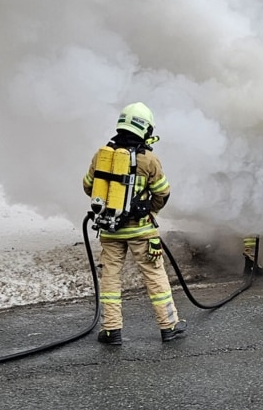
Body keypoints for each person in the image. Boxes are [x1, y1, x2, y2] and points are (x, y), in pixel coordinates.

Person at [83, 102, 186, 345]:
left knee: (110, 279)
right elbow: (163, 193)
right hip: (141, 231)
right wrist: (150, 211)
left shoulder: (102, 155)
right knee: (154, 277)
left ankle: (111, 331)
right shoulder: (149, 159)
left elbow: (89, 186)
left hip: (109, 229)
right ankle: (169, 326)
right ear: (145, 129)